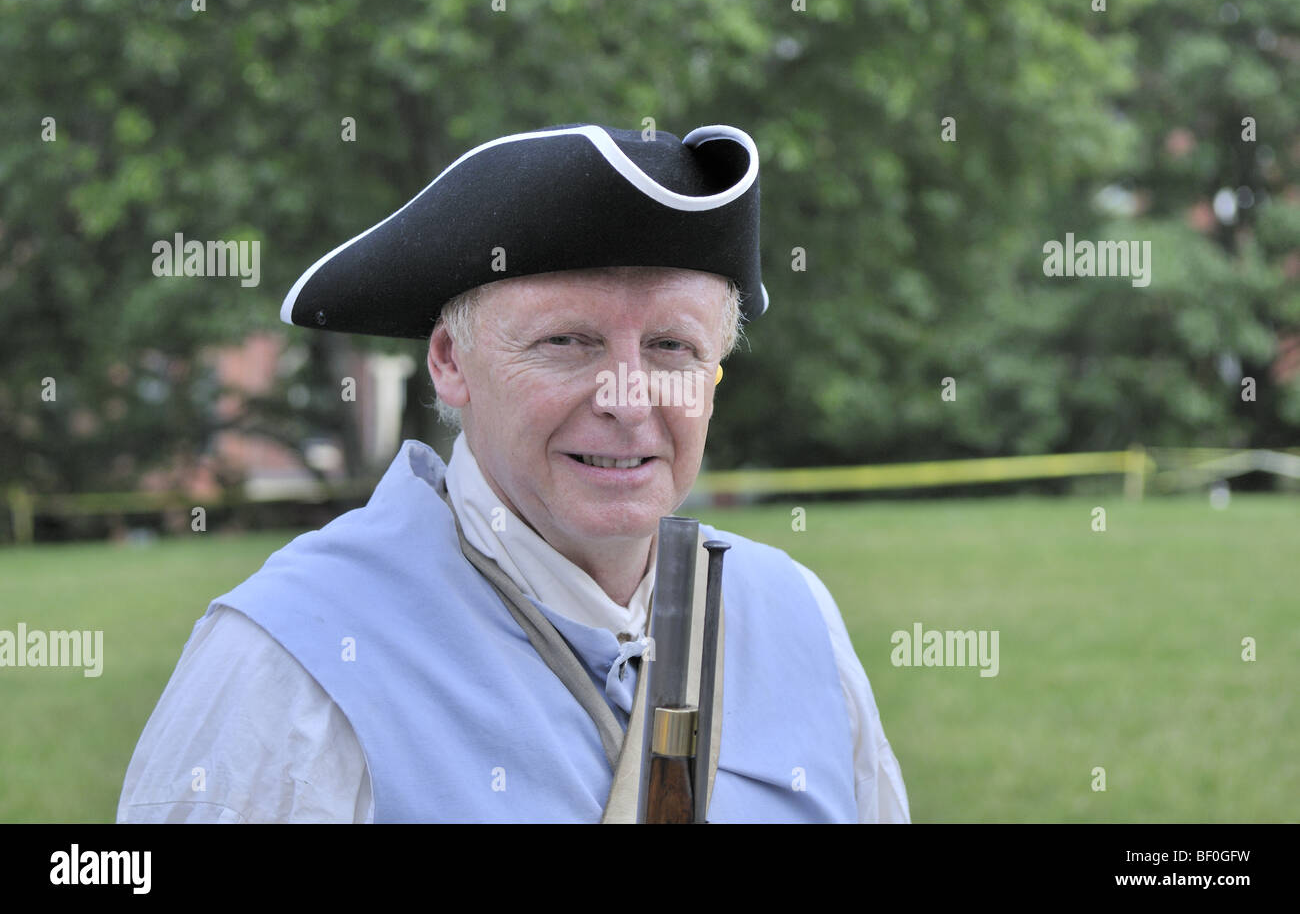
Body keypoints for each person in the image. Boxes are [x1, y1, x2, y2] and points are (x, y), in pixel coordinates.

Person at [117, 123, 910, 823]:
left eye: (672, 347)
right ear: (450, 361)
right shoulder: (293, 659)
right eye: (568, 342)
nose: (629, 401)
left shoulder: (799, 619)